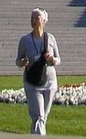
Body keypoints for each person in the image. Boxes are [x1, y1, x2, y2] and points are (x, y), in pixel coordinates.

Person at [15, 7, 60, 135]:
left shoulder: (50, 38)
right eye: (32, 18)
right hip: (32, 82)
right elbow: (18, 60)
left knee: (42, 117)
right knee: (38, 116)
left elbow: (58, 58)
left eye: (37, 18)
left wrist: (53, 60)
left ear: (43, 21)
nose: (34, 21)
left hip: (50, 82)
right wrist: (22, 63)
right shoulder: (25, 40)